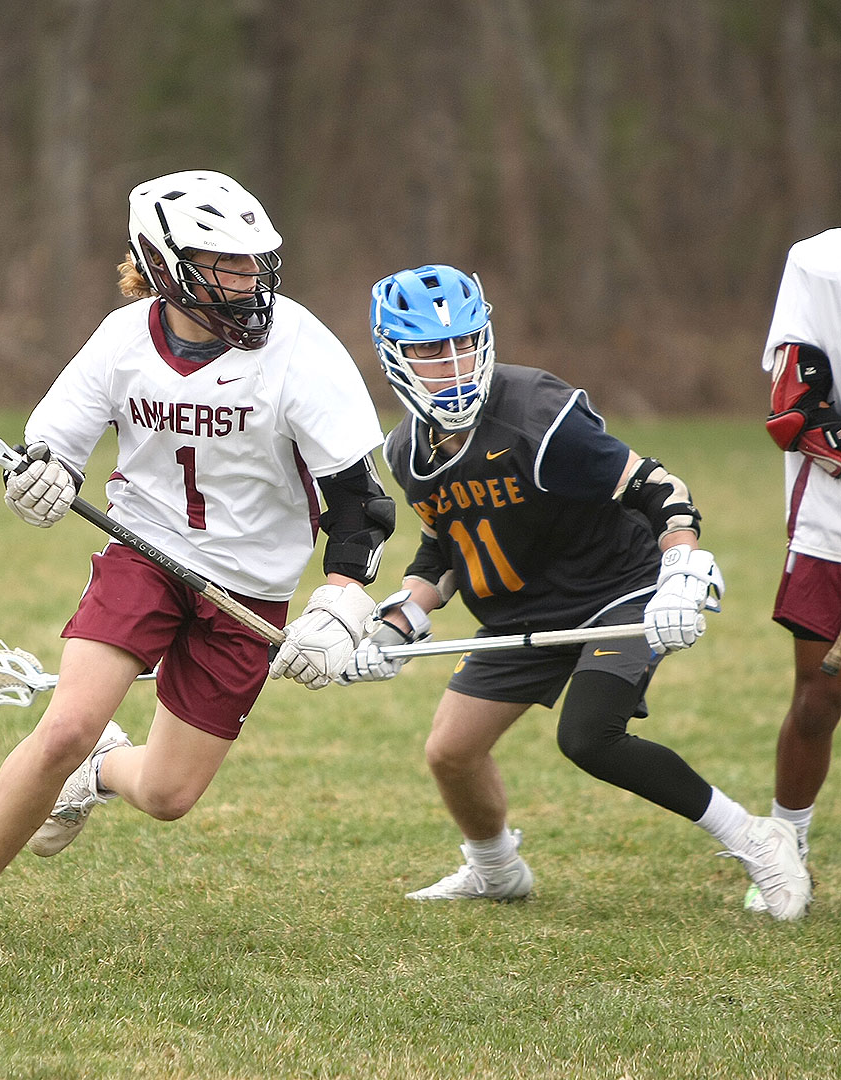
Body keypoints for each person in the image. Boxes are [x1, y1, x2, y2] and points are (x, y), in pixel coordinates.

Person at [0, 170, 394, 953]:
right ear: (164, 265)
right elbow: (53, 448)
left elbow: (362, 505)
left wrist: (339, 602)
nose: (247, 281)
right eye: (223, 264)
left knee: (168, 795)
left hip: (252, 586)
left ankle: (99, 773)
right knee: (66, 723)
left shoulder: (300, 347)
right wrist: (43, 479)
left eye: (254, 263)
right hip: (146, 551)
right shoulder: (122, 339)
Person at [339, 262, 812, 921]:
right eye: (428, 351)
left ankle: (758, 837)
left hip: (617, 588)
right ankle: (496, 869)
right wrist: (397, 622)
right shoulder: (405, 453)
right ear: (393, 358)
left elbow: (656, 487)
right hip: (522, 612)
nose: (453, 365)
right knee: (450, 752)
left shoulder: (536, 412)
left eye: (464, 344)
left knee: (589, 734)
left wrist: (681, 569)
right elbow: (445, 545)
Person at [745, 229, 841, 913]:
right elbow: (794, 414)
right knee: (820, 695)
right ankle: (786, 846)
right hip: (833, 520)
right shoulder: (820, 262)